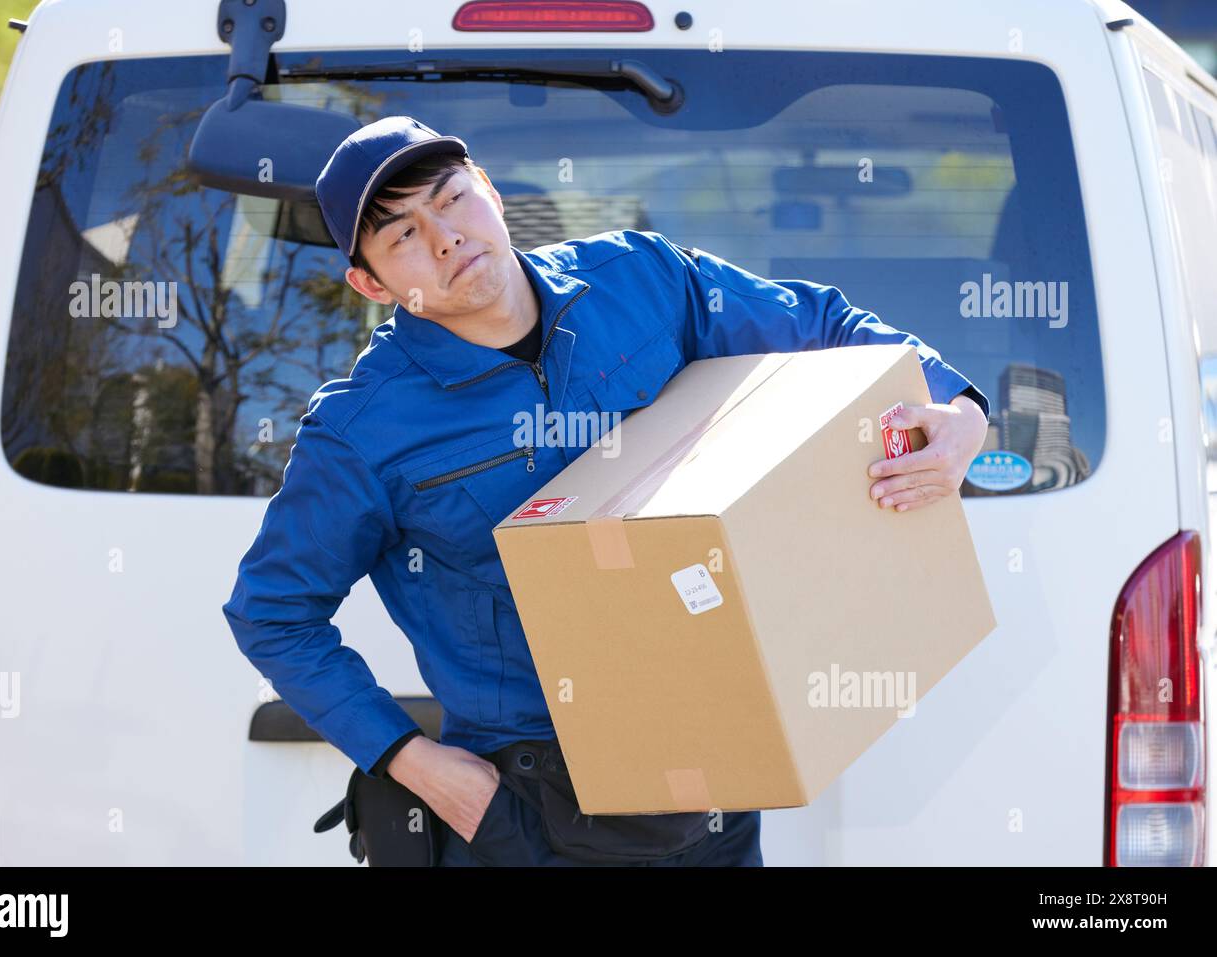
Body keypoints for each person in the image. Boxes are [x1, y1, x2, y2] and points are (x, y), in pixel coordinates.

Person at [221, 115, 991, 867]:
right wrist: (410, 758)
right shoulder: (364, 428)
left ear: (487, 189)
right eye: (402, 235)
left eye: (451, 199)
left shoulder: (641, 279)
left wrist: (959, 409)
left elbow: (823, 323)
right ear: (371, 283)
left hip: (716, 771)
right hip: (531, 810)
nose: (445, 237)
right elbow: (272, 612)